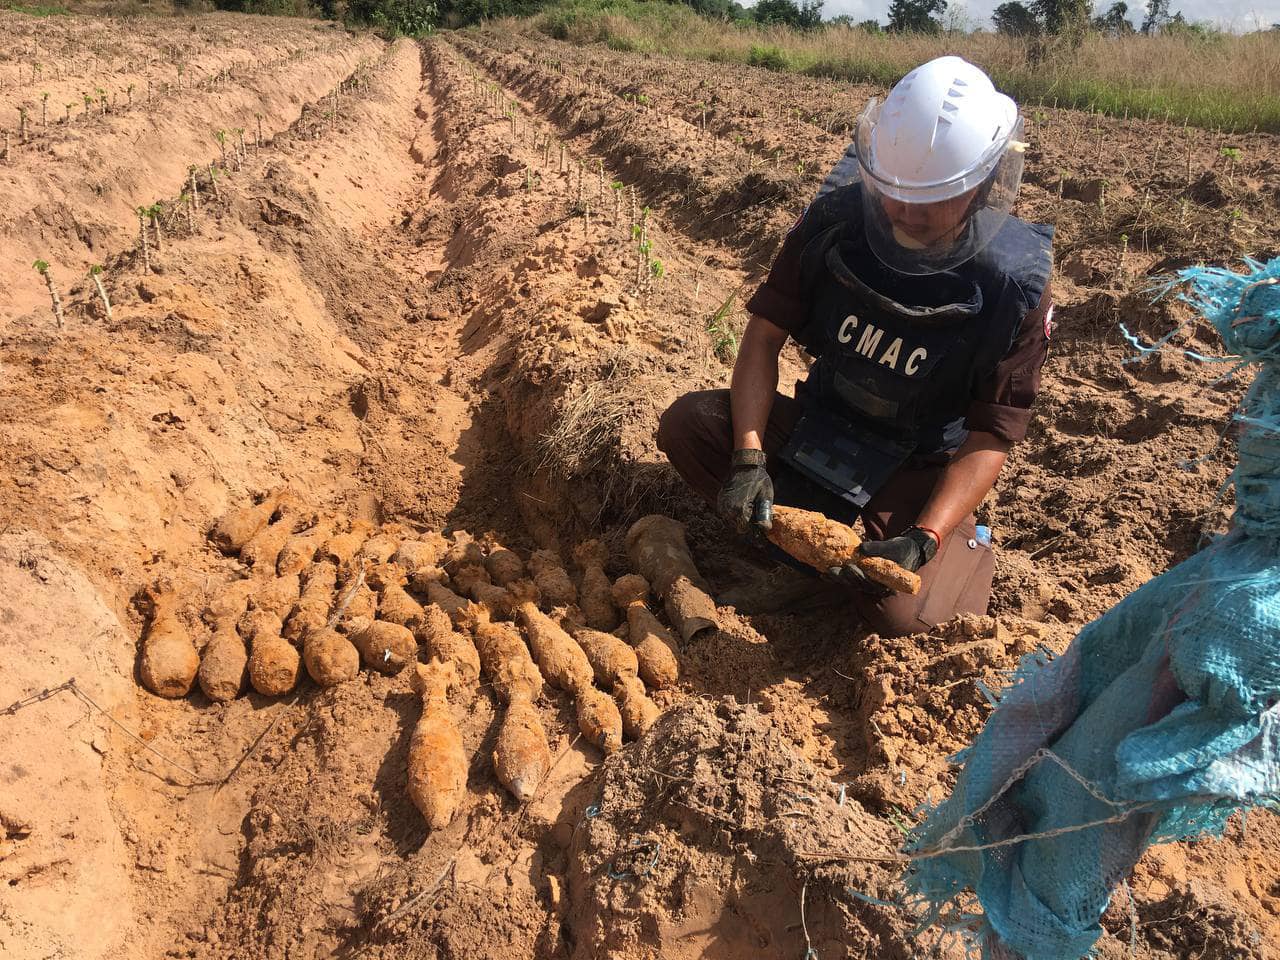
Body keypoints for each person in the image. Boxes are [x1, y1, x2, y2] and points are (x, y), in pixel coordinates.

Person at [657, 56, 1054, 637]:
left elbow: (992, 433)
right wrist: (747, 457)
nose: (903, 212)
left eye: (933, 198)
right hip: (818, 427)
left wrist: (925, 537)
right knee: (690, 425)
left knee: (905, 612)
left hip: (912, 466)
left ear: (984, 182)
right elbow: (764, 337)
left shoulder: (1013, 286)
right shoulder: (834, 224)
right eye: (891, 190)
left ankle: (940, 551)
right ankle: (803, 548)